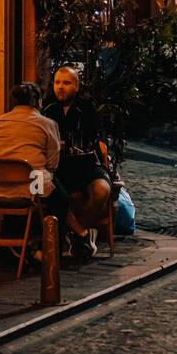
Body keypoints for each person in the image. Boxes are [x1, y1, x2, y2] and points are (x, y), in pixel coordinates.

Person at [0, 82, 70, 243]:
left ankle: (15, 245)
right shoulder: (47, 124)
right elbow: (52, 164)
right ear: (37, 101)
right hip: (31, 187)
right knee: (60, 198)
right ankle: (50, 246)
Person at [42, 64, 113, 262]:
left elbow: (96, 138)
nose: (60, 87)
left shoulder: (86, 108)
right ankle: (81, 235)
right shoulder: (47, 108)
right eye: (57, 83)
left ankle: (74, 234)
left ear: (77, 86)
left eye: (66, 83)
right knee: (46, 189)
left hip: (86, 165)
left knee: (101, 190)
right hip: (58, 168)